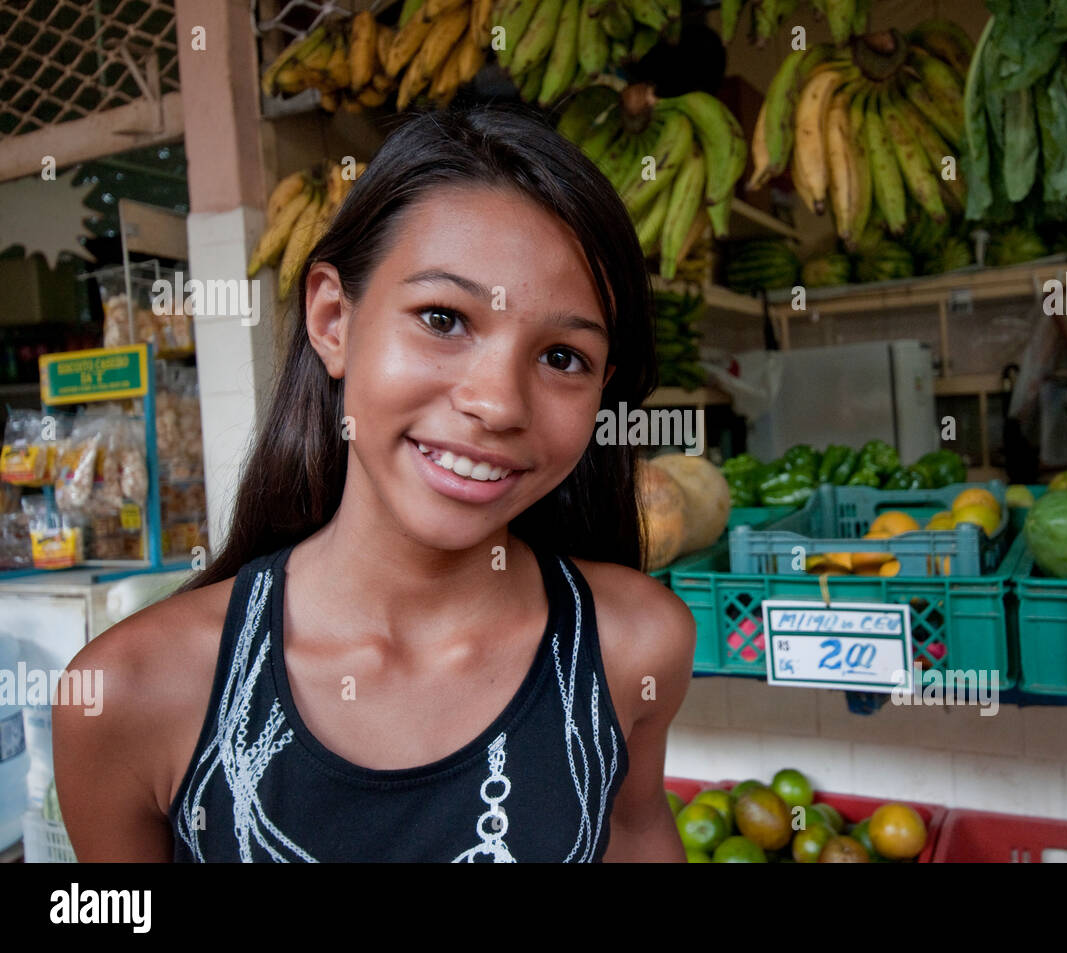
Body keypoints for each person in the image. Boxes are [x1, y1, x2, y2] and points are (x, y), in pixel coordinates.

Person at [53, 105, 697, 862]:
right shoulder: (126, 692)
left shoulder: (634, 644)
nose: (497, 403)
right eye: (442, 317)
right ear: (333, 319)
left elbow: (636, 827)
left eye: (563, 358)